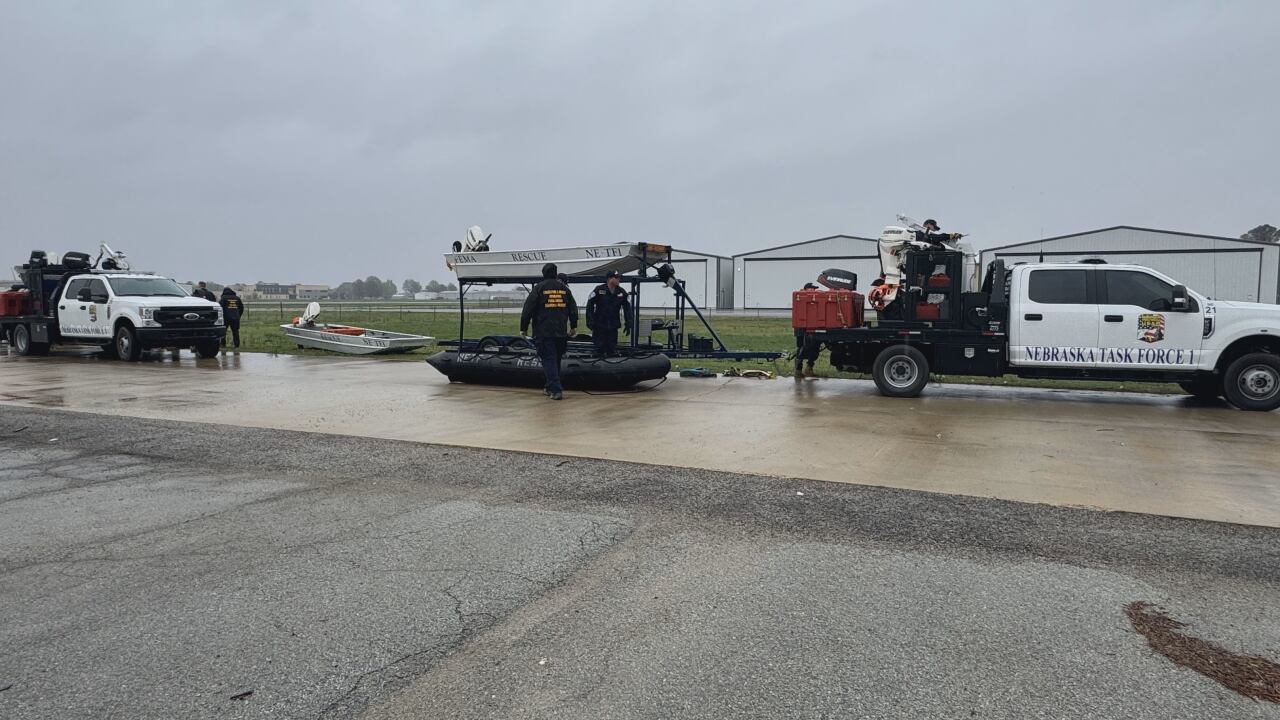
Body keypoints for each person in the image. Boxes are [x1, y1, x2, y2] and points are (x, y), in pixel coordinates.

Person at [520, 263, 578, 400]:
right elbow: (573, 309)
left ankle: (556, 390)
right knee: (555, 360)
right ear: (555, 273)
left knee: (548, 360)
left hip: (543, 332)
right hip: (561, 332)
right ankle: (548, 386)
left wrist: (523, 328)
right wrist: (573, 326)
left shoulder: (539, 289)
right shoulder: (565, 289)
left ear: (544, 273)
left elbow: (527, 310)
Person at [585, 270, 632, 357]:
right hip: (599, 326)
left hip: (613, 326)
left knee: (612, 349)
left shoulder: (621, 292)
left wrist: (628, 322)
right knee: (599, 350)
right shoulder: (599, 290)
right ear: (610, 279)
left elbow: (627, 308)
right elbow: (589, 306)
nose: (619, 280)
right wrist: (589, 321)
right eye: (617, 278)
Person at [794, 283, 821, 377]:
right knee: (802, 348)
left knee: (815, 348)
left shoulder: (814, 299)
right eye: (812, 289)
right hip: (801, 328)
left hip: (812, 328)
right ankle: (798, 370)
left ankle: (809, 369)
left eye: (815, 289)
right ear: (807, 289)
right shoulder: (800, 298)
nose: (814, 291)